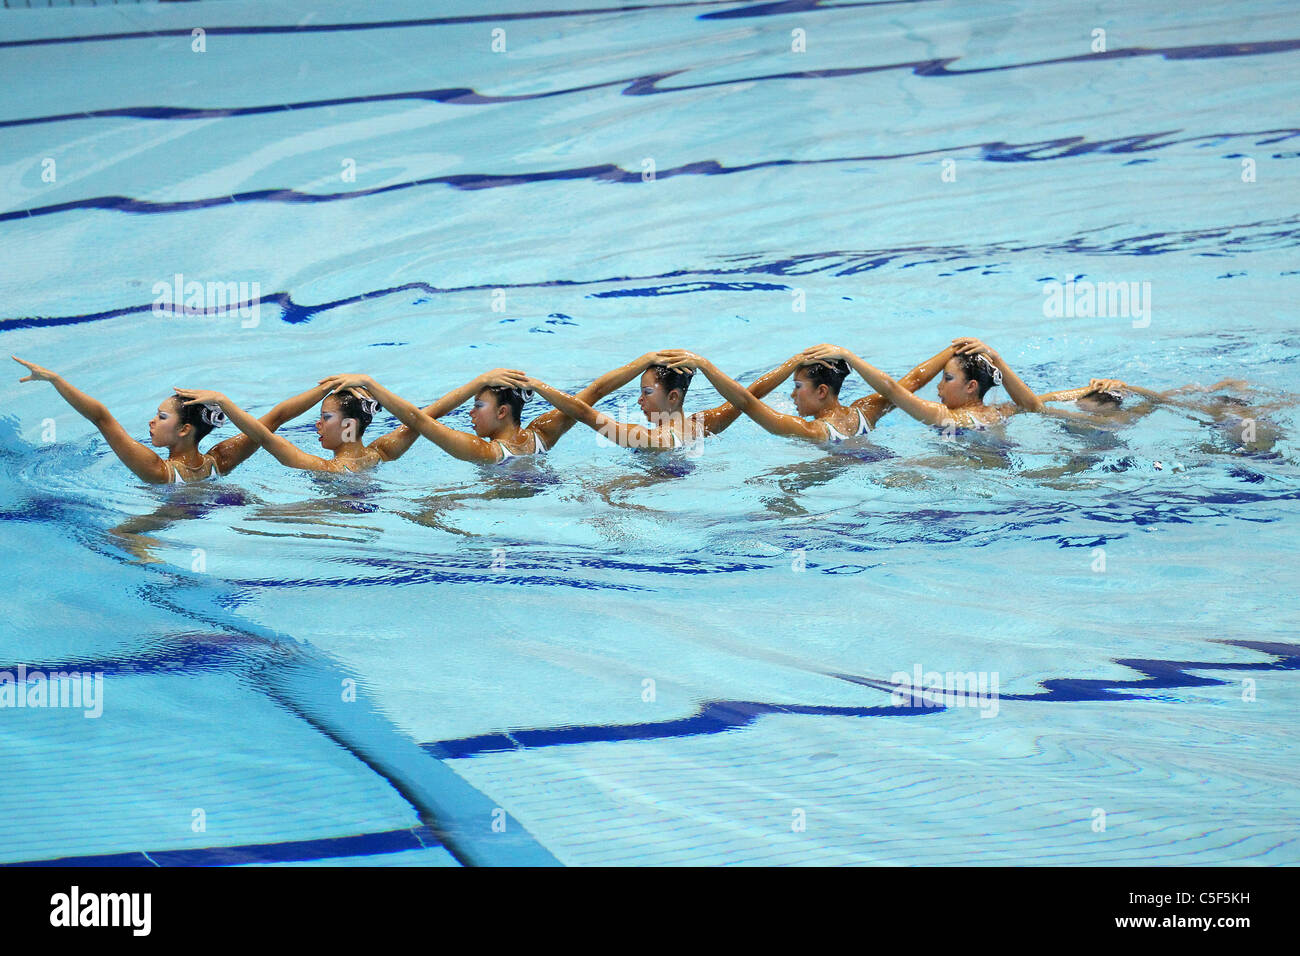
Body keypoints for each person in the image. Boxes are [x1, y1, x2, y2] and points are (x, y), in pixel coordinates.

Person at [317, 352, 685, 464]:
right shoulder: (543, 433)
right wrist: (642, 362)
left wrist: (372, 385)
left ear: (503, 412)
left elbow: (419, 420)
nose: (471, 414)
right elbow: (594, 393)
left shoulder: (484, 450)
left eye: (479, 406)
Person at [13, 355, 324, 483]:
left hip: (167, 521)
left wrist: (55, 380)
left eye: (161, 417)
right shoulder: (220, 461)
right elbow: (278, 416)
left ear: (185, 429)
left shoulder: (159, 471)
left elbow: (101, 418)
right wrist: (329, 388)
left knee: (121, 535)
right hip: (230, 507)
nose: (151, 422)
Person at [640, 345, 957, 443]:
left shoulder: (812, 430)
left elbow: (747, 401)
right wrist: (952, 349)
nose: (792, 397)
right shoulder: (867, 410)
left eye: (797, 388)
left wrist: (705, 365)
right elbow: (910, 382)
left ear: (822, 391)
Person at [792, 338, 1047, 430]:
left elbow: (894, 389)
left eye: (947, 379)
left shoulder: (946, 417)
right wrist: (996, 359)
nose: (939, 388)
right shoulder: (999, 412)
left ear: (971, 386)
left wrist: (850, 357)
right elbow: (1035, 406)